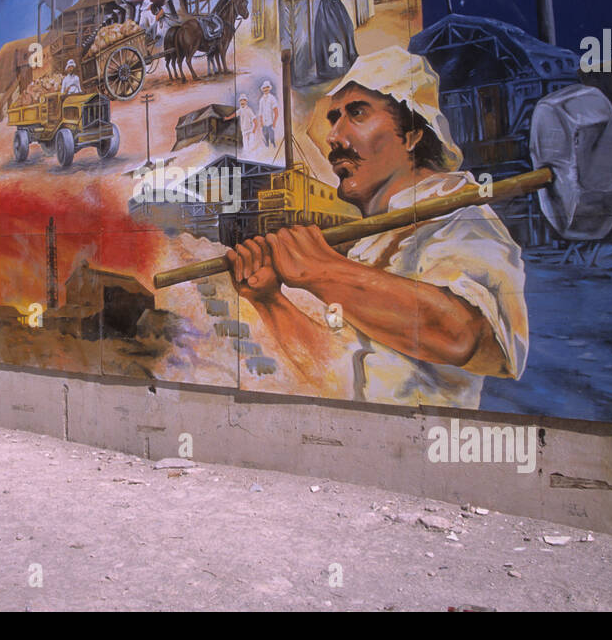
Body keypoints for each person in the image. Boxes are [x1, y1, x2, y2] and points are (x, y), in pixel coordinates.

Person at [224, 46, 528, 409]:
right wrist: (271, 301)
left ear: (413, 133)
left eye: (357, 113)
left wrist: (324, 271)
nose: (334, 136)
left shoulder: (457, 215)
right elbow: (346, 375)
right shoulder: (371, 243)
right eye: (335, 118)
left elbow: (465, 337)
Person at [258, 80, 280, 149]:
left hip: (270, 121)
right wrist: (261, 122)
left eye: (267, 87)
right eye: (264, 88)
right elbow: (260, 112)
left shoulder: (272, 98)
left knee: (271, 135)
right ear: (262, 89)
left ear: (269, 88)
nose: (265, 89)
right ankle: (267, 145)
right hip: (264, 122)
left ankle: (273, 145)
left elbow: (276, 112)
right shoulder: (261, 100)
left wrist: (274, 122)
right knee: (265, 134)